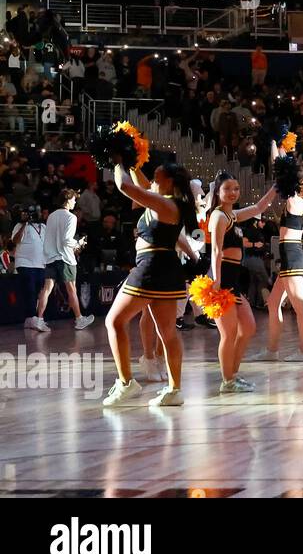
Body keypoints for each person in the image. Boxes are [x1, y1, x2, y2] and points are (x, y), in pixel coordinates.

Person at [101, 162, 201, 407]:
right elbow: (142, 184)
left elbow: (124, 185)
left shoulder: (164, 203)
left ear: (169, 182)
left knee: (113, 321)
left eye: (157, 178)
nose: (152, 182)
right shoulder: (167, 201)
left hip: (150, 267)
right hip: (167, 269)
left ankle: (126, 384)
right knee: (167, 333)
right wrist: (133, 162)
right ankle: (174, 389)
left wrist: (117, 161)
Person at [208, 173, 279, 391]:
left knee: (247, 328)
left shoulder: (233, 216)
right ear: (218, 192)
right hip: (223, 280)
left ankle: (233, 375)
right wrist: (217, 281)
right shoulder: (219, 216)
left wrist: (277, 186)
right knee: (228, 334)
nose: (233, 192)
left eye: (236, 188)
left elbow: (258, 207)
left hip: (234, 281)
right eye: (228, 188)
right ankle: (227, 381)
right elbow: (216, 250)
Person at [251, 141, 303, 362]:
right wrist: (281, 147)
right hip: (289, 255)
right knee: (273, 304)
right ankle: (272, 351)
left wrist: (274, 144)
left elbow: (280, 171)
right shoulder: (298, 201)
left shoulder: (295, 202)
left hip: (291, 255)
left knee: (300, 305)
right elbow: (282, 169)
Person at [34, 189, 93, 331]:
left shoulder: (51, 216)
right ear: (67, 200)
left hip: (50, 258)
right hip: (65, 258)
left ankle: (39, 320)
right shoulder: (71, 217)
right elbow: (67, 240)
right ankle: (79, 319)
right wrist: (78, 244)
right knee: (71, 289)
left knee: (46, 289)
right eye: (73, 200)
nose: (75, 202)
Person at [13, 205, 46, 331]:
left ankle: (31, 319)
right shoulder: (19, 226)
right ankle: (32, 317)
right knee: (30, 290)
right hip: (25, 263)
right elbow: (15, 241)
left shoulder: (43, 227)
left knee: (39, 291)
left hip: (40, 264)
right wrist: (24, 225)